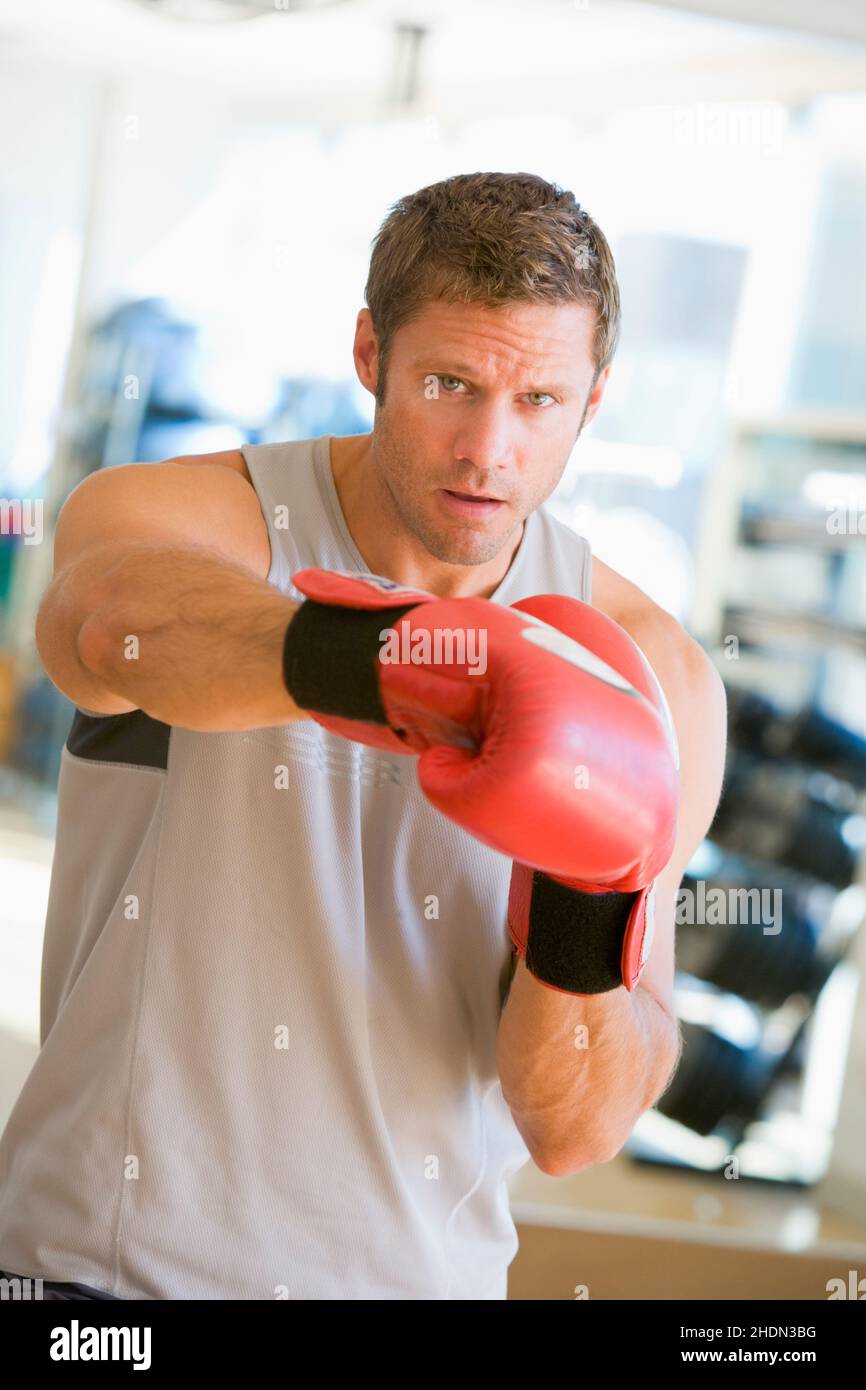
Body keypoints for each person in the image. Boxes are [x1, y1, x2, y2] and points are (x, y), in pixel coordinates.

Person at [0, 171, 726, 1301]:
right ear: (367, 354)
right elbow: (110, 627)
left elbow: (575, 1126)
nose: (486, 449)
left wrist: (587, 884)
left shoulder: (654, 677)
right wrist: (427, 669)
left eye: (537, 399)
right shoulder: (192, 517)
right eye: (448, 381)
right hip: (109, 1282)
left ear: (591, 402)